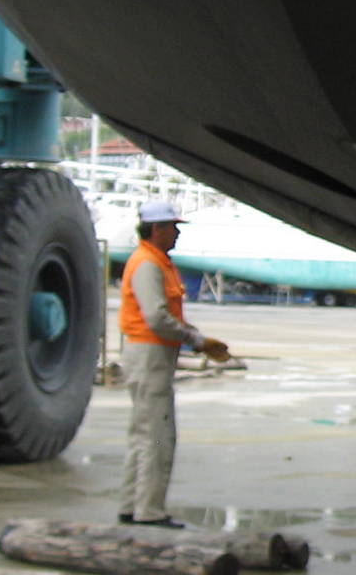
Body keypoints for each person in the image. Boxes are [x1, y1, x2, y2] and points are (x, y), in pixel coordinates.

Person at [118, 200, 229, 527]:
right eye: (172, 227)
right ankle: (149, 512)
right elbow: (156, 317)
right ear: (156, 229)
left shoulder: (155, 262)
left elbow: (164, 315)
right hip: (150, 356)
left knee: (142, 436)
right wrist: (195, 340)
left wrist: (193, 335)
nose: (177, 233)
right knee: (158, 437)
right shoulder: (148, 264)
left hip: (150, 354)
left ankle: (131, 506)